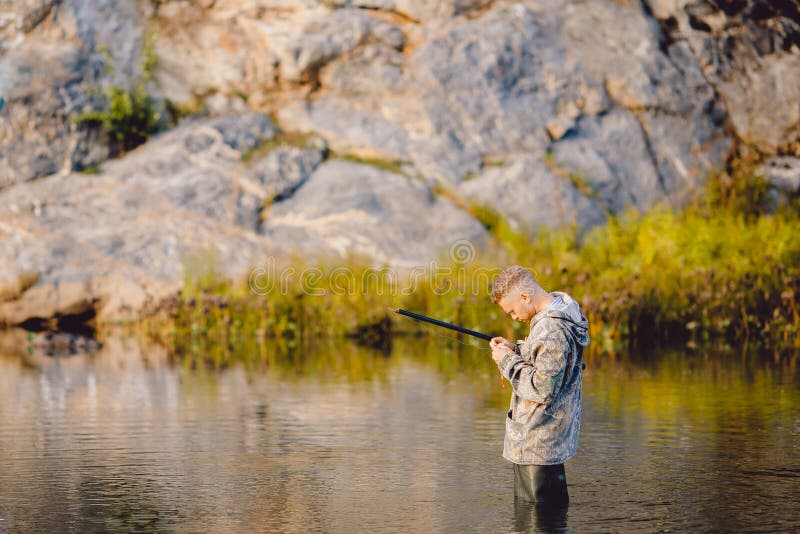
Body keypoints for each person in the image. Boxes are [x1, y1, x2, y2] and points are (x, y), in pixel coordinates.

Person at [489, 265, 589, 506]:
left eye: (512, 311)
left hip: (538, 444)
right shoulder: (561, 310)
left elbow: (542, 388)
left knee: (535, 517)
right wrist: (518, 349)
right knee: (547, 517)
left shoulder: (550, 328)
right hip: (545, 441)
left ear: (525, 296)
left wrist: (507, 361)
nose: (513, 318)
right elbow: (548, 361)